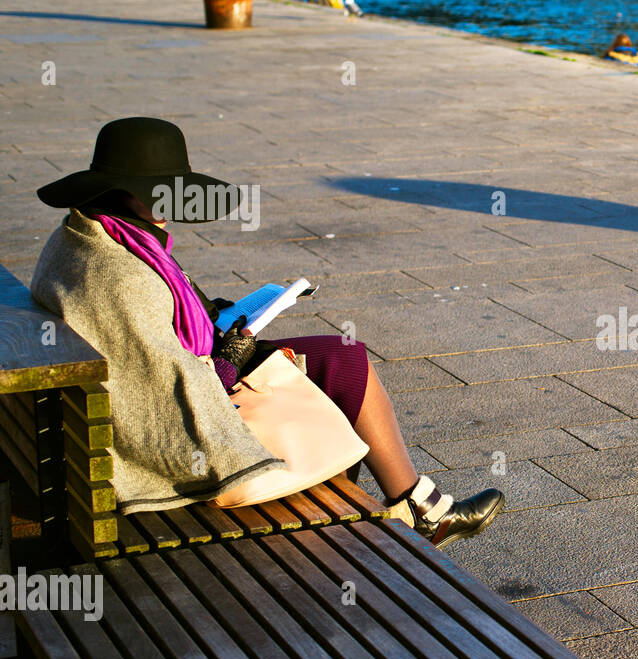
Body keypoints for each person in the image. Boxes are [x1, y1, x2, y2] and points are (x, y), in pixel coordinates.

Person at [31, 117, 502, 547]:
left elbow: (155, 343)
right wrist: (229, 358)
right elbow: (166, 393)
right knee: (336, 370)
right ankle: (383, 521)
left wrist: (212, 319)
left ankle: (418, 508)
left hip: (151, 391)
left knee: (343, 357)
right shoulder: (120, 275)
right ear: (122, 189)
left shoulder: (95, 232)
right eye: (162, 190)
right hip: (172, 440)